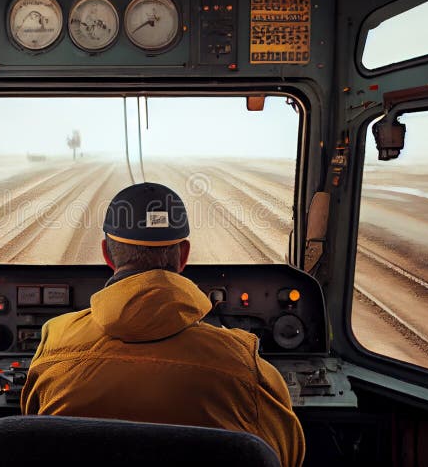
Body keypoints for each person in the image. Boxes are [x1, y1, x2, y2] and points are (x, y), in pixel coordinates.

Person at [20, 182, 305, 467]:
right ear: (183, 256)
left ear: (107, 254)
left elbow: (34, 434)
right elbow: (286, 456)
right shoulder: (244, 367)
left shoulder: (54, 346)